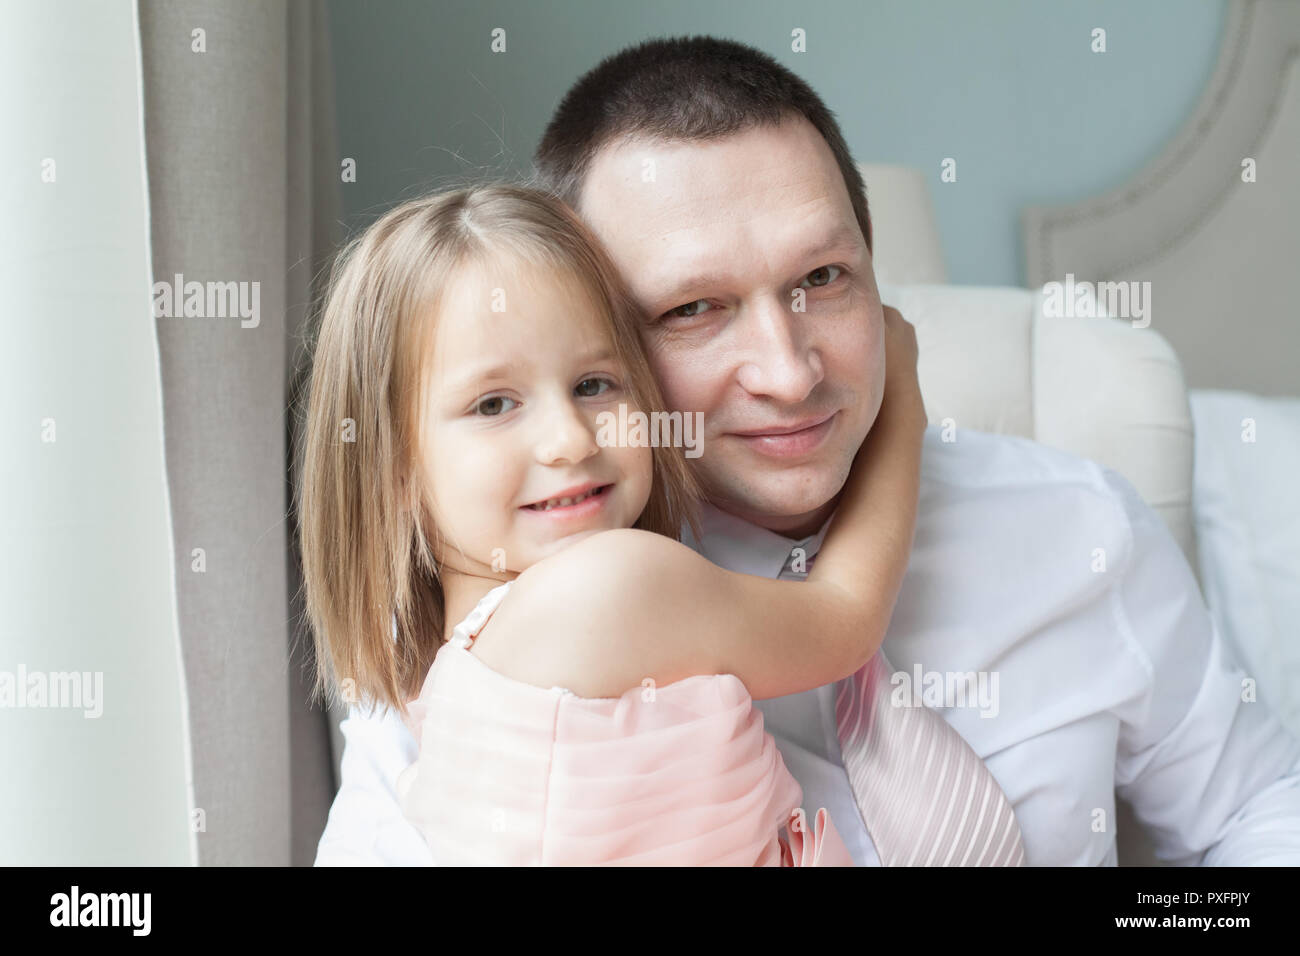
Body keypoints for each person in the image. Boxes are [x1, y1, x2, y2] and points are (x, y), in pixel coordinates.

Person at [315, 36, 1300, 867]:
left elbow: (1257, 811)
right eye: (693, 308)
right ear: (593, 321)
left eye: (822, 278)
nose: (787, 372)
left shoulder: (1080, 527)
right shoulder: (499, 617)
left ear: (879, 275)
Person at [297, 181, 933, 865]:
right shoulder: (605, 586)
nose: (569, 439)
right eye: (493, 405)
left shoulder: (435, 685)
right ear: (392, 467)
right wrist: (903, 401)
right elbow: (844, 618)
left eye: (593, 385)